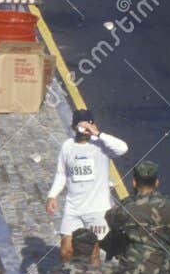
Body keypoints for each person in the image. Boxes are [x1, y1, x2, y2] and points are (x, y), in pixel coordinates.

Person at [46, 108, 127, 259]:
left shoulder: (101, 144)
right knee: (66, 250)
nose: (84, 128)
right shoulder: (67, 146)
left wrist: (98, 133)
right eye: (80, 125)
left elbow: (123, 149)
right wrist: (52, 196)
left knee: (93, 253)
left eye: (88, 123)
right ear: (74, 127)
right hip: (73, 209)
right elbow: (61, 174)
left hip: (97, 210)